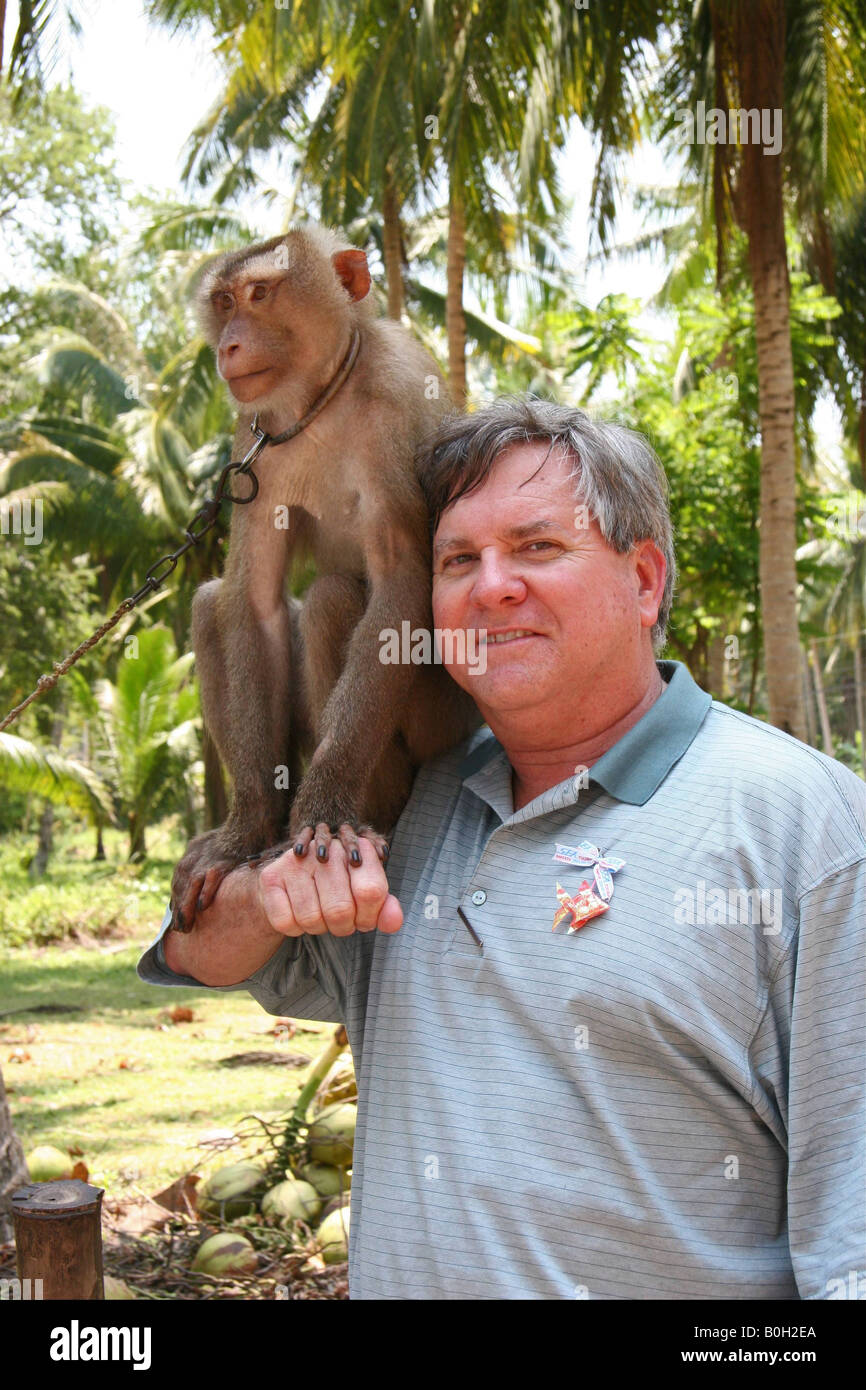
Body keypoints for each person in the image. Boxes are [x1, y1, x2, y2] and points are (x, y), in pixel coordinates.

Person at [139, 398, 865, 1301]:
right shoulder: (417, 800)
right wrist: (264, 895)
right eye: (456, 561)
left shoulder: (807, 829)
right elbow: (196, 954)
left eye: (537, 548)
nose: (492, 587)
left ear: (644, 581)